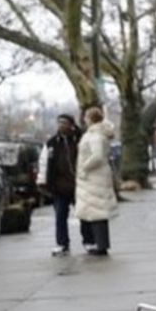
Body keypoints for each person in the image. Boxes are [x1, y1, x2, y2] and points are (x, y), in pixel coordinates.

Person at [75, 106, 117, 255]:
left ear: (91, 119)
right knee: (96, 211)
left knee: (97, 212)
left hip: (93, 178)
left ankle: (101, 245)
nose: (84, 120)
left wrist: (84, 168)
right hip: (95, 177)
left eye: (86, 117)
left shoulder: (95, 135)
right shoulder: (97, 134)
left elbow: (97, 156)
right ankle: (100, 243)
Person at [44, 114, 84, 256]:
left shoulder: (79, 139)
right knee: (60, 216)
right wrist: (45, 182)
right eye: (59, 122)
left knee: (83, 214)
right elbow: (45, 163)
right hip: (59, 186)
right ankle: (62, 243)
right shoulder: (52, 143)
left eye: (64, 123)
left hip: (78, 184)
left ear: (71, 125)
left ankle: (89, 240)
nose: (61, 125)